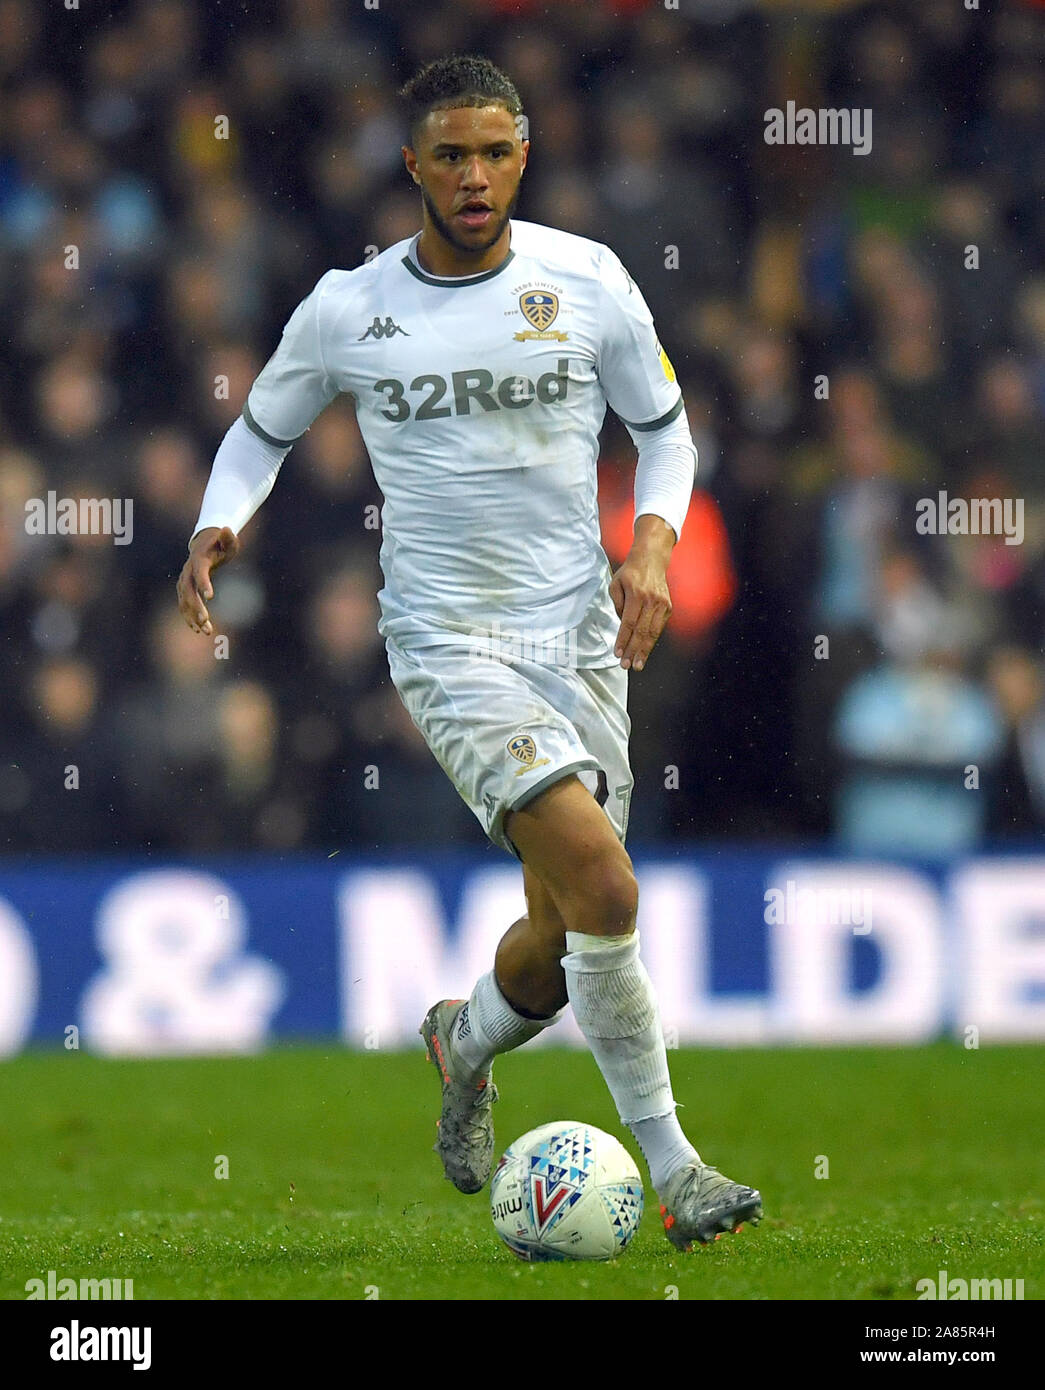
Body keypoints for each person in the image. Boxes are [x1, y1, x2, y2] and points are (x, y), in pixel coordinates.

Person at [176, 54, 761, 1250]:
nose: (474, 175)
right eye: (450, 154)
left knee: (559, 931)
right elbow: (258, 432)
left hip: (582, 635)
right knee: (606, 883)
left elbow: (666, 434)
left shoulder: (585, 280)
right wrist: (213, 523)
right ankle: (677, 1172)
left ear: (524, 156)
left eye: (494, 152)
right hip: (446, 638)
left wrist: (650, 549)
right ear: (413, 167)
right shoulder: (348, 307)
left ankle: (467, 1037)